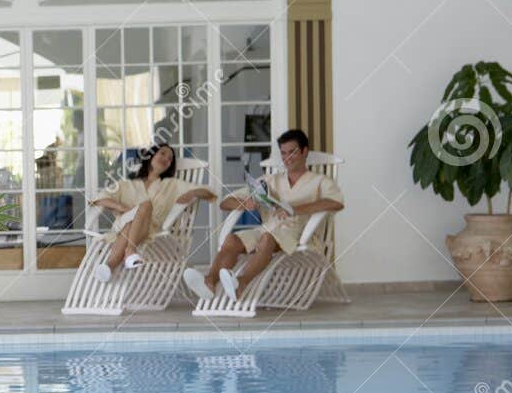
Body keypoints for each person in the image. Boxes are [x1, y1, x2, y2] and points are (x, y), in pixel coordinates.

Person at [183, 129, 344, 302]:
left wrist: (294, 209)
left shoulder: (320, 181)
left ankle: (241, 284)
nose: (287, 158)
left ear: (305, 152)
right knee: (232, 240)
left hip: (299, 233)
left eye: (292, 152)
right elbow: (225, 202)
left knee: (267, 238)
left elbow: (336, 203)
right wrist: (244, 204)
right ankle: (209, 282)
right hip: (266, 230)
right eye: (283, 153)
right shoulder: (270, 181)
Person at [89, 143, 215, 282]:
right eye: (162, 153)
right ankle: (128, 253)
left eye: (170, 159)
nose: (166, 159)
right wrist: (122, 208)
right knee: (140, 212)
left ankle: (109, 266)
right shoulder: (127, 185)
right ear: (150, 156)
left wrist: (194, 192)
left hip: (150, 230)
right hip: (122, 227)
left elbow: (209, 192)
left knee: (143, 209)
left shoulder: (172, 184)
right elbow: (99, 198)